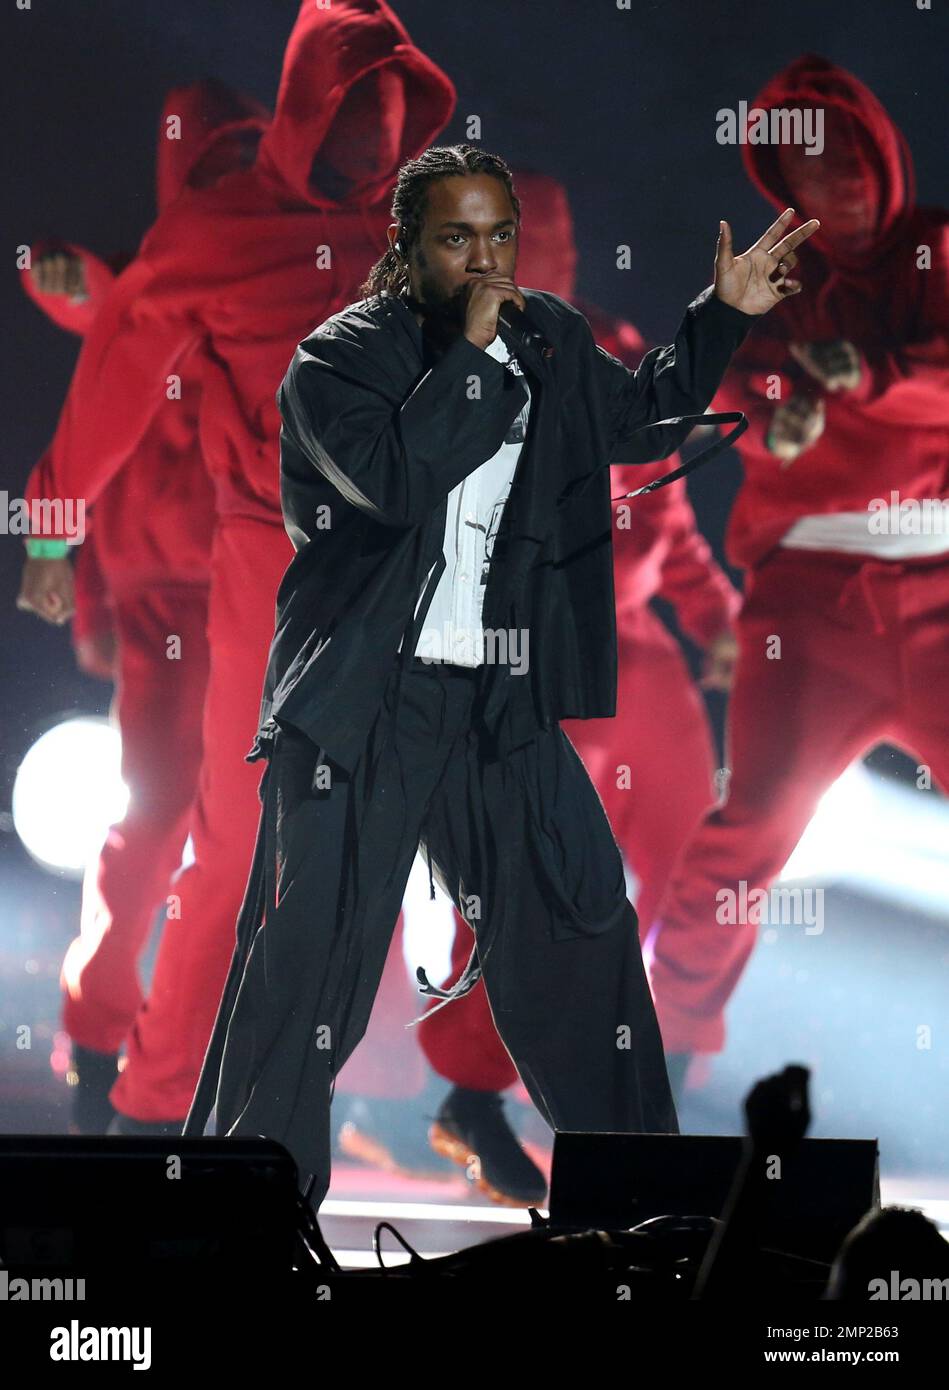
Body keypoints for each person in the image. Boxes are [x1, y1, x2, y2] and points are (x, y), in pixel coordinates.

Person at [182, 141, 818, 1210]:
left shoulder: (550, 337)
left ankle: (646, 1208)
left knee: (583, 927)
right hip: (362, 704)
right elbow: (389, 479)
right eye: (455, 237)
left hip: (498, 700)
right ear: (406, 246)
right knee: (308, 961)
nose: (484, 260)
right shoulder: (342, 359)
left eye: (499, 235)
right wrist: (475, 360)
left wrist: (721, 313)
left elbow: (636, 417)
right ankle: (241, 1215)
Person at [17, 0, 454, 1132]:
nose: (372, 139)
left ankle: (362, 1096)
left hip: (403, 569)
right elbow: (112, 355)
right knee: (227, 838)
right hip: (265, 567)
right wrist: (55, 530)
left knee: (397, 835)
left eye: (390, 116)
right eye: (352, 113)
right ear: (303, 113)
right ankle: (153, 1102)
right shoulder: (217, 234)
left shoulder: (420, 237)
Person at [646, 54, 949, 1082]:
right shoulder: (770, 275)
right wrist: (775, 415)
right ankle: (658, 1060)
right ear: (782, 186)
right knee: (752, 827)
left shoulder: (936, 250)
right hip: (810, 608)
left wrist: (870, 373)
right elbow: (730, 378)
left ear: (883, 156)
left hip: (941, 589)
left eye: (853, 162)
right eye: (812, 173)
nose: (841, 188)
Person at [15, 81, 268, 1133]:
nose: (224, 188)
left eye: (238, 167)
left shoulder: (268, 269)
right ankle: (98, 1036)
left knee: (246, 847)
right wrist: (54, 273)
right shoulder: (158, 281)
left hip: (259, 595)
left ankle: (180, 1064)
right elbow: (100, 303)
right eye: (205, 170)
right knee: (154, 820)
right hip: (165, 599)